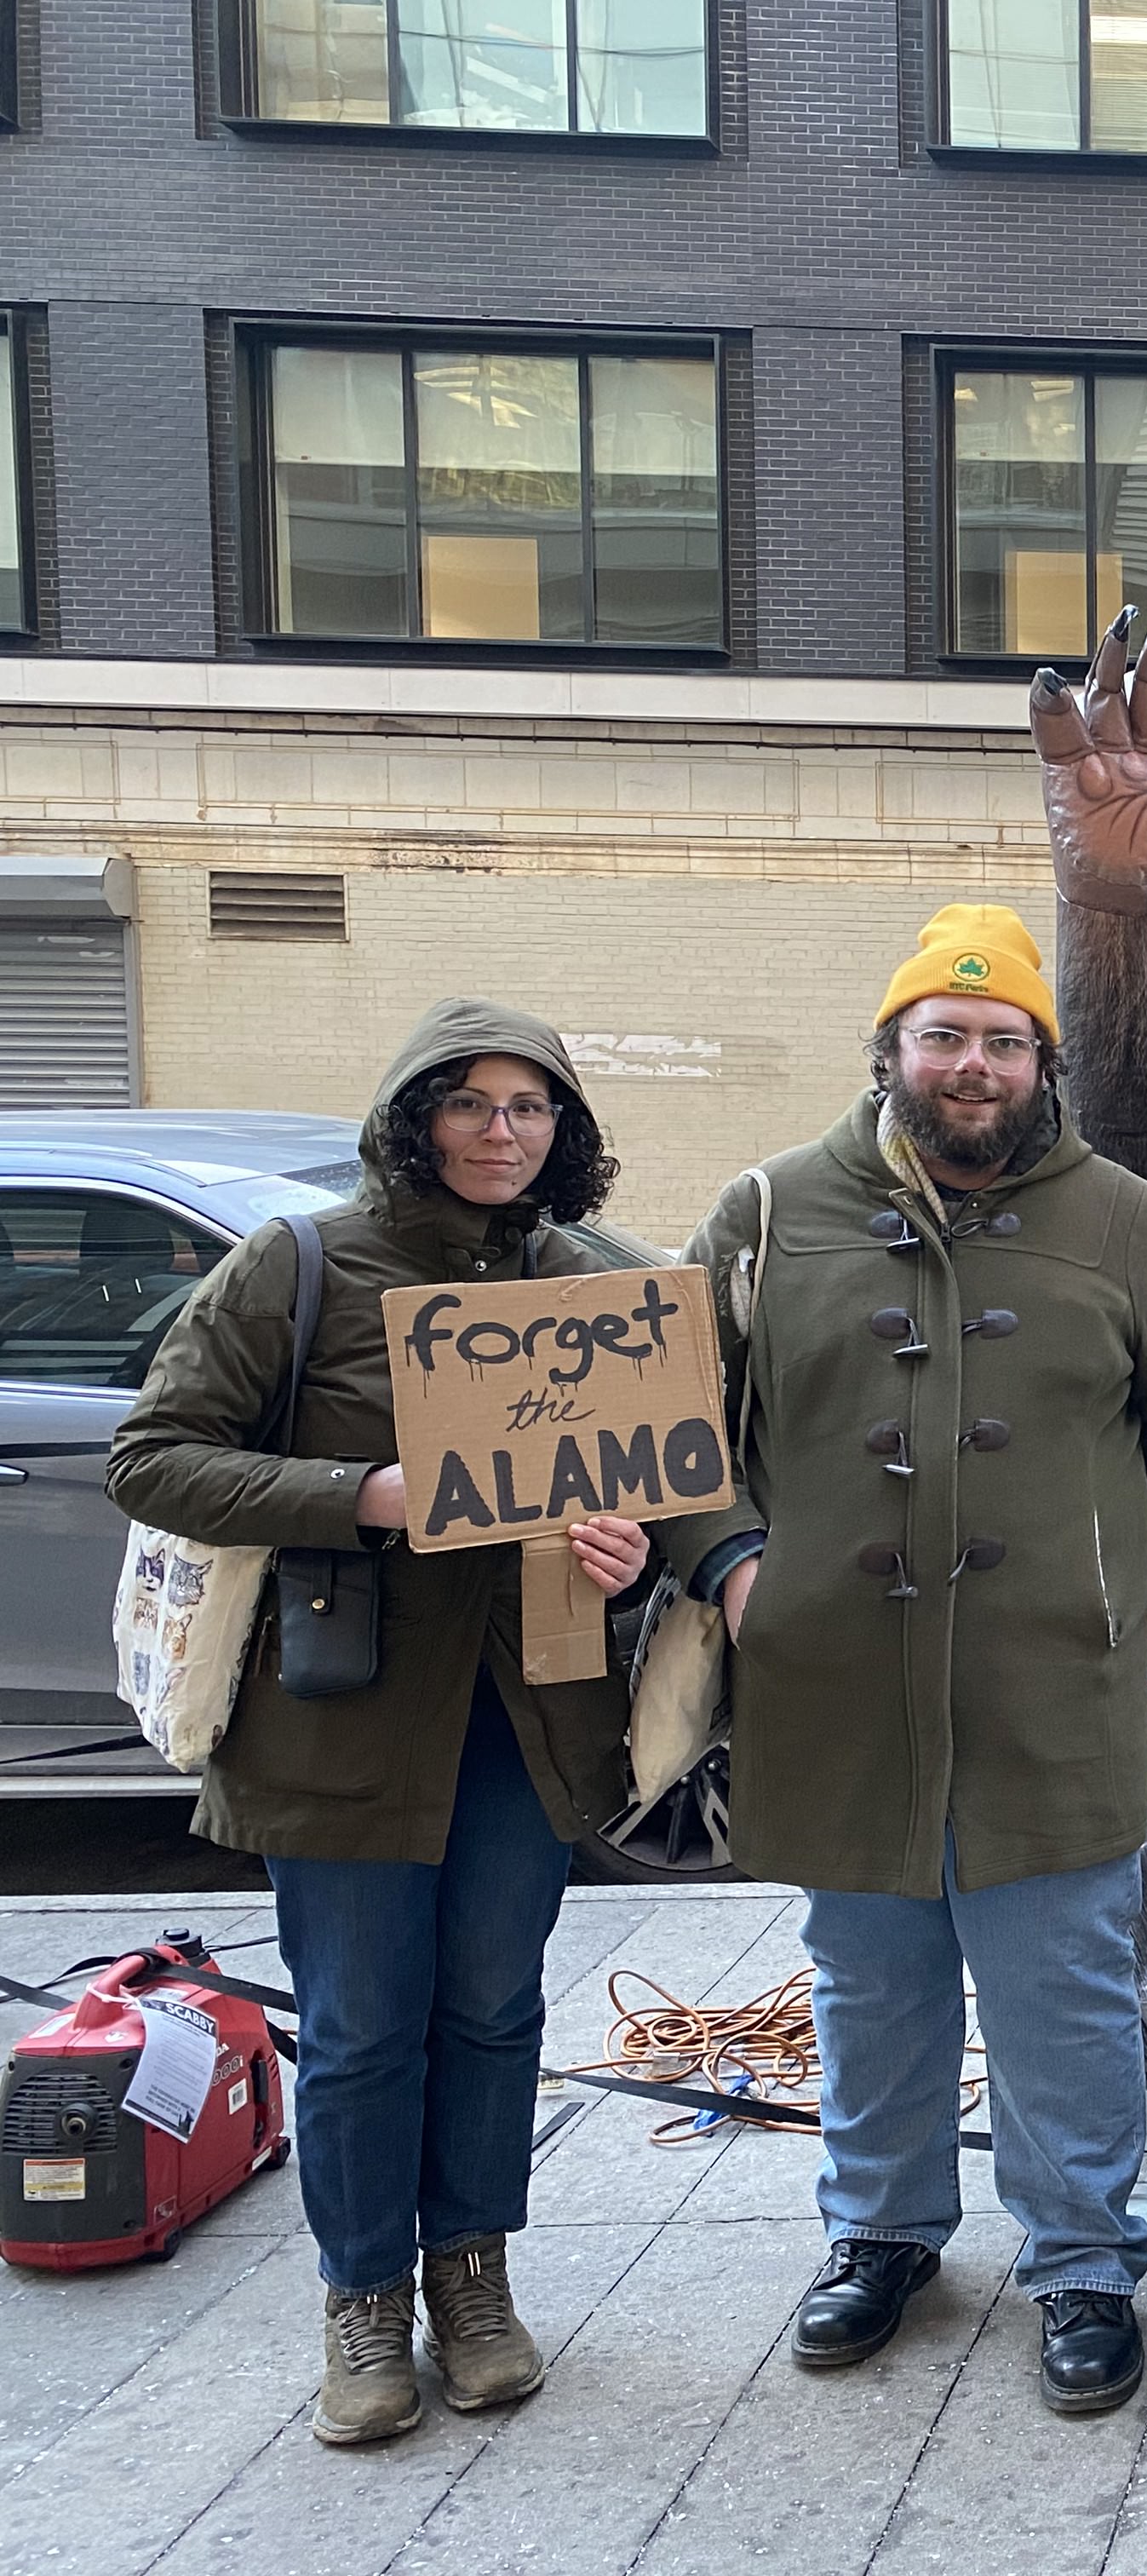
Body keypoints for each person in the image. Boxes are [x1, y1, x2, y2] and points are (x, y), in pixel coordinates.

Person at [662, 903, 1147, 2416]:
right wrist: (733, 1562)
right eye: (945, 1033)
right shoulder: (767, 1210)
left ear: (1042, 1062)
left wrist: (1097, 1559)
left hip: (1049, 1690)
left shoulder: (1121, 1212)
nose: (973, 1062)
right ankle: (880, 2231)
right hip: (833, 1684)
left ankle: (1082, 2261)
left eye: (1003, 1039)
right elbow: (672, 1425)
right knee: (870, 1979)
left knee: (1059, 1984)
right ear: (891, 1051)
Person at [109, 1000, 694, 2447]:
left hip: (528, 1715)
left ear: (566, 1134)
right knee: (365, 2025)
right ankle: (363, 2298)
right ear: (413, 1112)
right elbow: (153, 1455)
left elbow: (667, 1490)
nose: (503, 1131)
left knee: (492, 2008)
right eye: (473, 1102)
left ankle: (475, 2276)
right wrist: (358, 1497)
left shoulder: (592, 1283)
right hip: (343, 1716)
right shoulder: (299, 1264)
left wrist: (640, 1553)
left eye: (533, 1107)